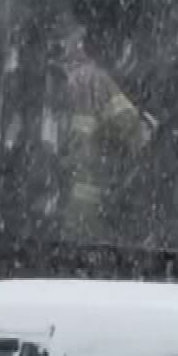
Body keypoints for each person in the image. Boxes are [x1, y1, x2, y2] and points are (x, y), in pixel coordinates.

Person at [45, 28, 151, 241]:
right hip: (82, 216)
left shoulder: (30, 76)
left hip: (46, 216)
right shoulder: (95, 82)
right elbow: (139, 137)